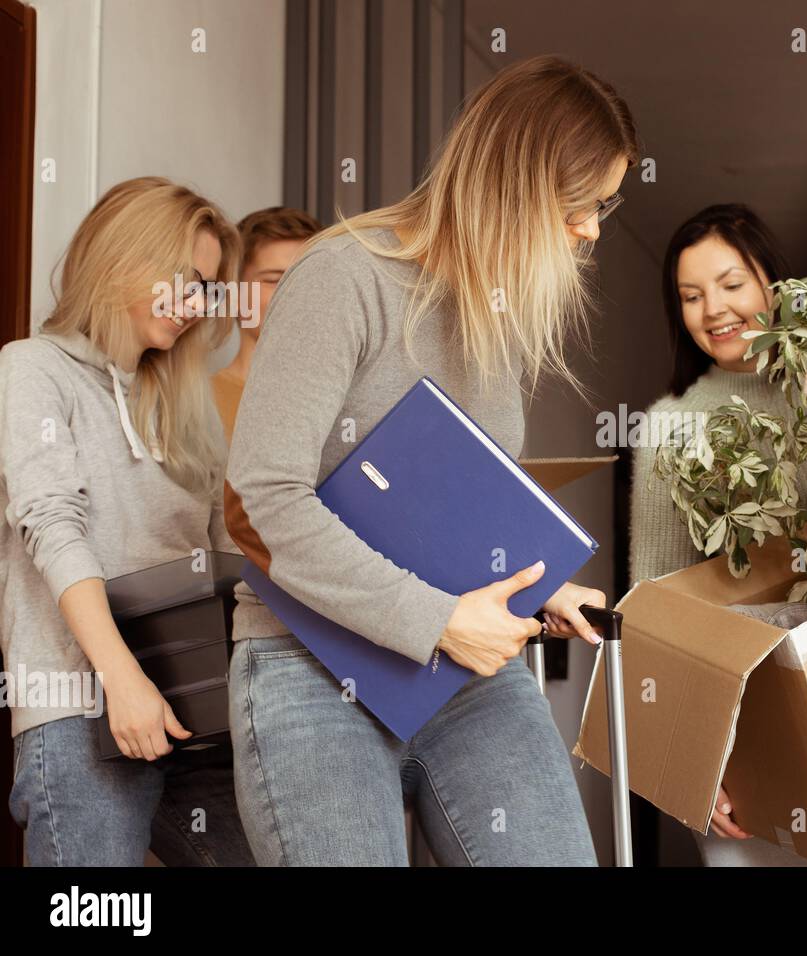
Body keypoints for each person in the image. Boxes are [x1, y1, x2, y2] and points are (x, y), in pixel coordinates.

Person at [223, 55, 639, 866]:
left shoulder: (494, 317)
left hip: (464, 679)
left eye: (605, 206)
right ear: (519, 181)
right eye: (583, 204)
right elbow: (259, 504)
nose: (593, 229)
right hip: (310, 670)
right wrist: (439, 619)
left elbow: (442, 506)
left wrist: (537, 585)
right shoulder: (344, 276)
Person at [1, 176, 254, 866]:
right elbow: (53, 526)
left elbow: (227, 553)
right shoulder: (32, 370)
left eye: (206, 288)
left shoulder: (184, 404)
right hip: (83, 709)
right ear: (120, 259)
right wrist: (122, 679)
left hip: (192, 710)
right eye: (183, 279)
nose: (195, 304)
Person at [629, 203, 807, 866]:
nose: (713, 309)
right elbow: (655, 609)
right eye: (690, 295)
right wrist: (688, 757)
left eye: (732, 284)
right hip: (742, 725)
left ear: (774, 282)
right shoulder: (667, 427)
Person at [211, 206, 322, 444]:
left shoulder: (339, 400)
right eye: (273, 280)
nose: (293, 293)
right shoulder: (199, 405)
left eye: (308, 278)